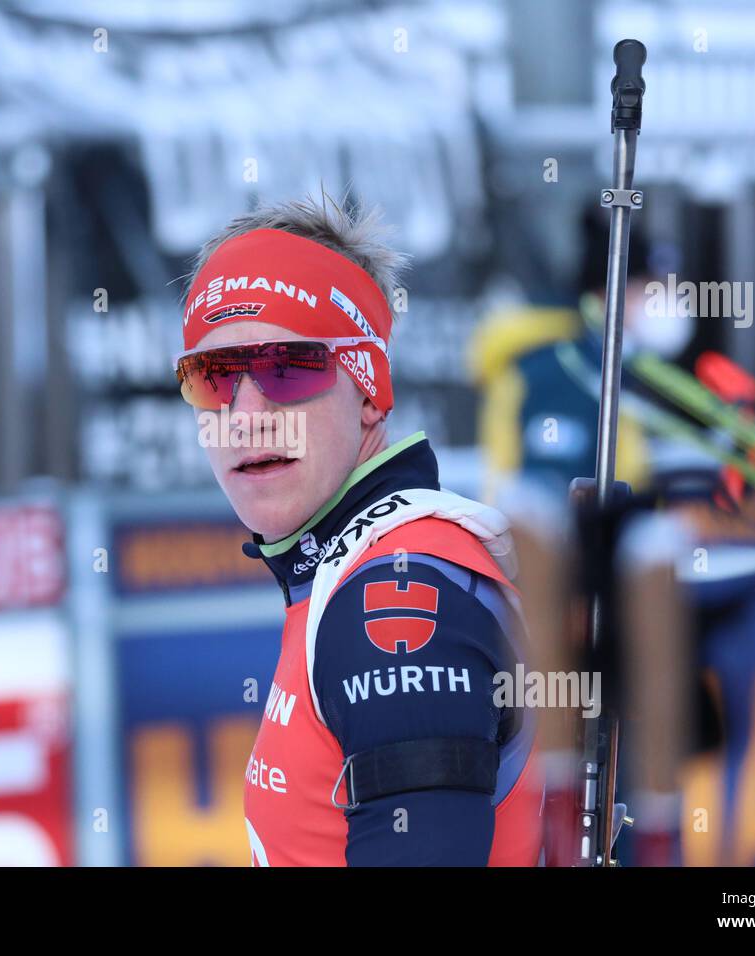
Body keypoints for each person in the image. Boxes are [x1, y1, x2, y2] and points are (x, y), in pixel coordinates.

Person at [174, 196, 542, 866]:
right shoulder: (349, 572)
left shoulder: (397, 591)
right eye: (215, 375)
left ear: (370, 389)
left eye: (286, 367)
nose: (247, 414)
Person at [470, 207, 692, 500]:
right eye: (649, 289)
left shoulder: (624, 369)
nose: (665, 302)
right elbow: (543, 496)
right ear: (606, 295)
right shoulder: (559, 373)